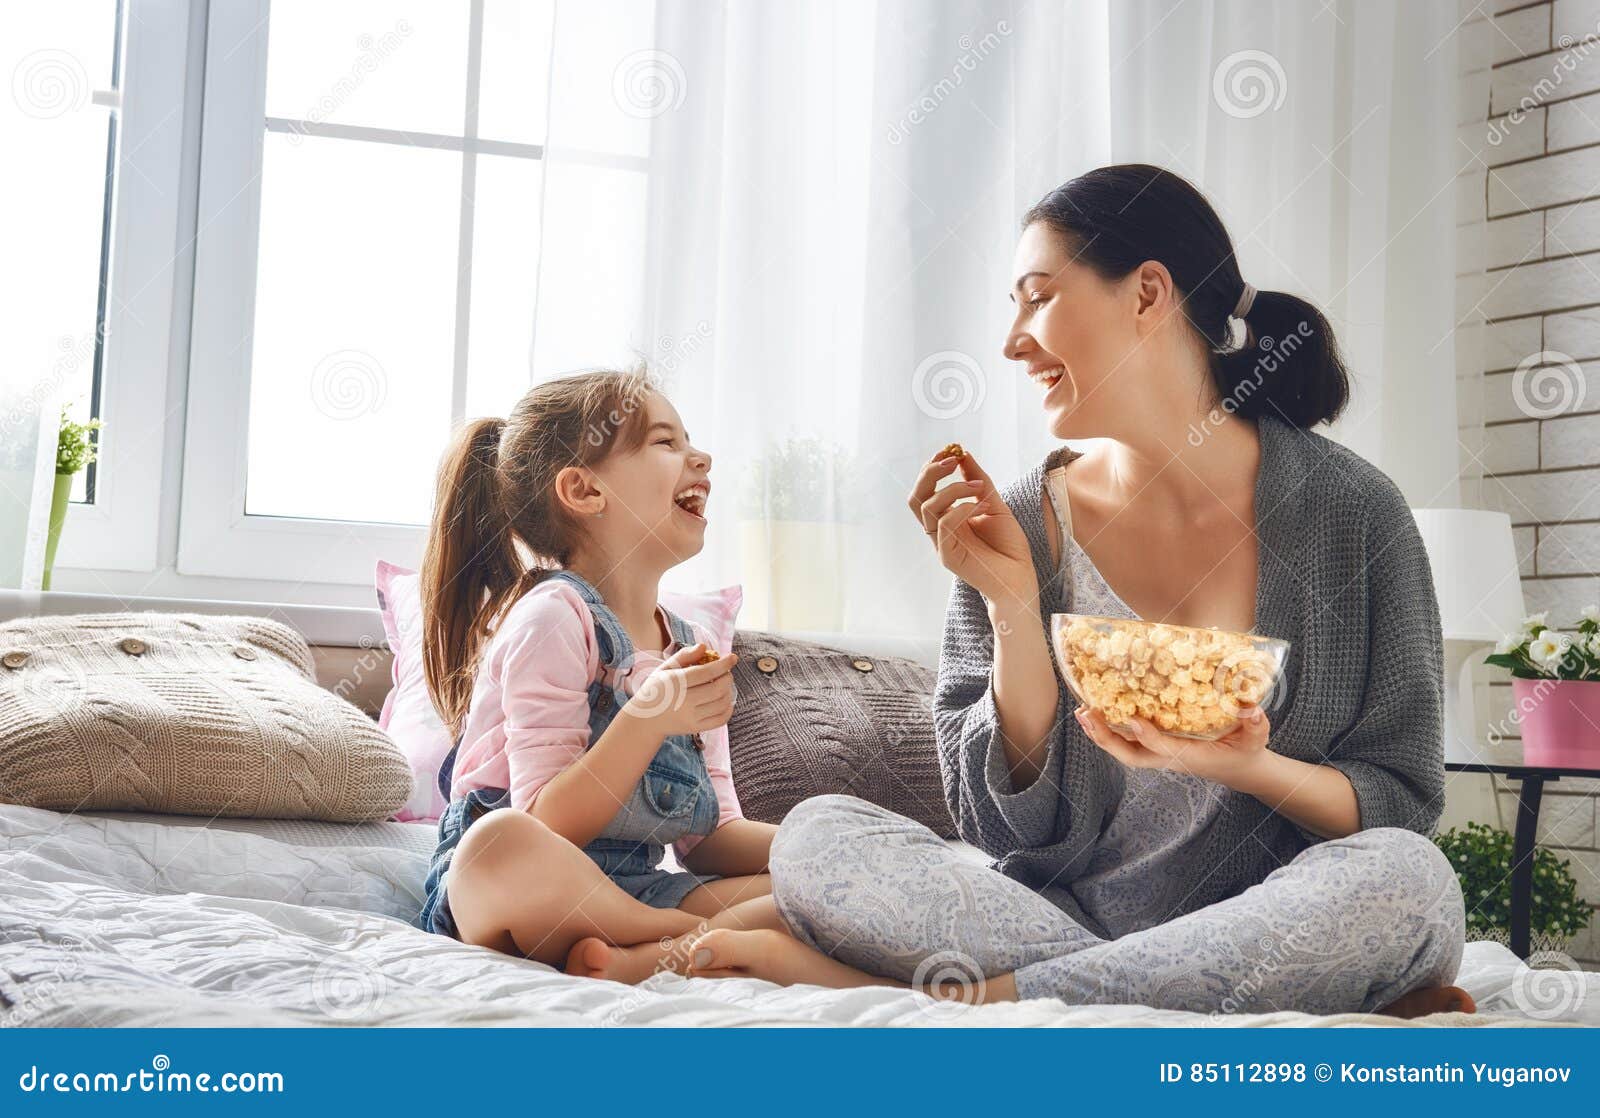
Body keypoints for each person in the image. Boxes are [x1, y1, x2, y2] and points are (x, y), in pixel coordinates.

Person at [685, 165, 1473, 1018]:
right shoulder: (1021, 523)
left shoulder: (1355, 514)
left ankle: (993, 1001)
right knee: (818, 839)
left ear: (1147, 294)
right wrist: (1013, 610)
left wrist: (1249, 767)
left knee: (1409, 881)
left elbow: (1400, 800)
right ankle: (1205, 993)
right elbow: (999, 832)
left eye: (1036, 296)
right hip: (1051, 915)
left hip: (1274, 908)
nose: (1012, 340)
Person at [413, 367, 788, 983]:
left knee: (810, 890)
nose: (701, 458)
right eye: (667, 443)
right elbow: (545, 822)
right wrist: (646, 718)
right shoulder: (553, 619)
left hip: (638, 891)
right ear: (584, 491)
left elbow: (714, 838)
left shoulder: (693, 644)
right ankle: (691, 940)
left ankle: (634, 955)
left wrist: (819, 842)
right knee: (497, 845)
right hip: (521, 889)